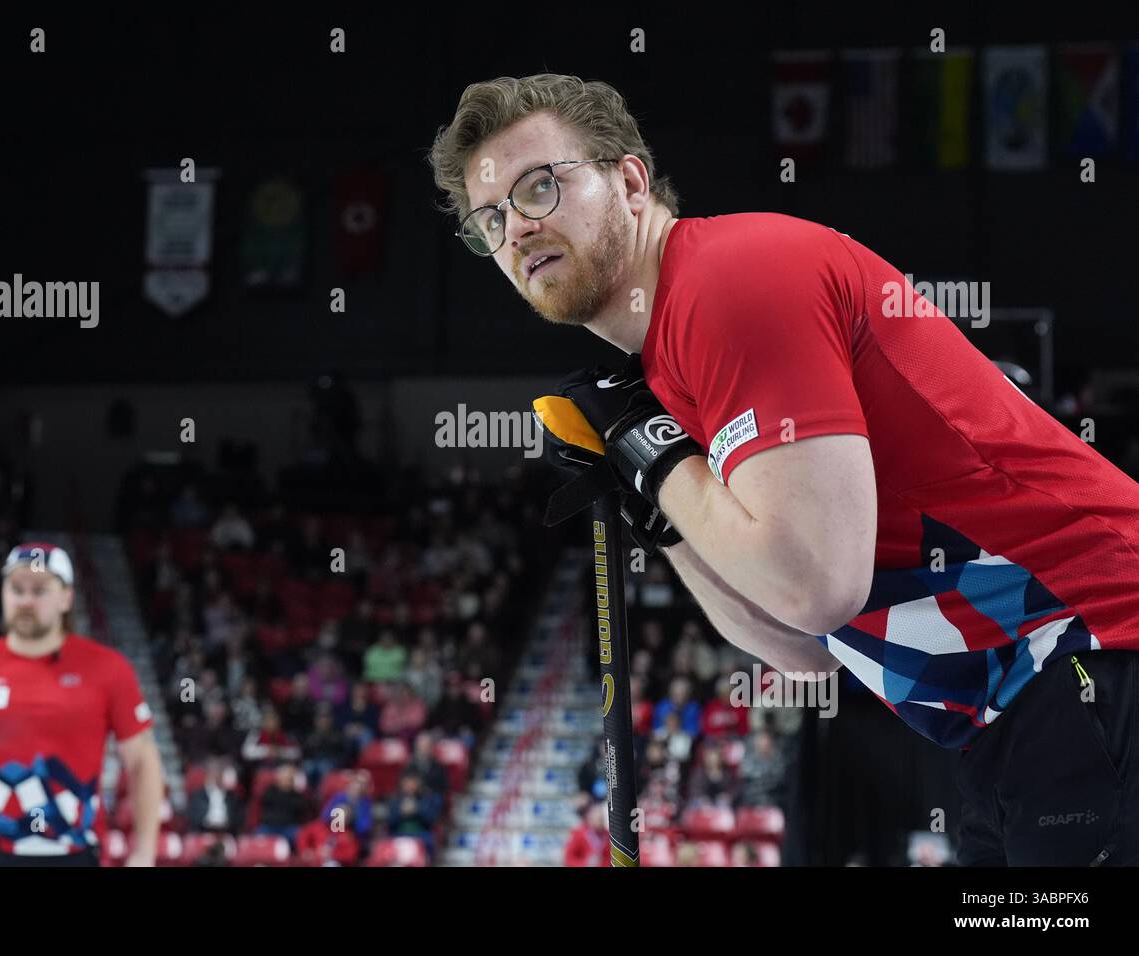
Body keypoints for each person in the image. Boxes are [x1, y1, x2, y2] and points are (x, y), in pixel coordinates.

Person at [431, 72, 1139, 867]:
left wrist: (652, 452)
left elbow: (816, 587)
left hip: (1096, 653)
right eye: (488, 219)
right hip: (1016, 720)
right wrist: (655, 505)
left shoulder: (728, 283)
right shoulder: (671, 363)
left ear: (629, 180)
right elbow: (802, 640)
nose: (515, 230)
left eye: (537, 188)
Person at [0, 543, 163, 866]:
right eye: (16, 588)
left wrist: (145, 853)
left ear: (66, 597)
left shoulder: (108, 668)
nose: (25, 600)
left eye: (39, 590)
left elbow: (142, 761)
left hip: (72, 852)